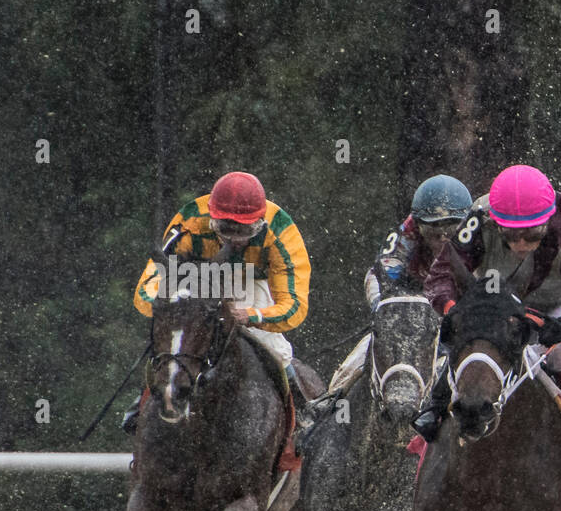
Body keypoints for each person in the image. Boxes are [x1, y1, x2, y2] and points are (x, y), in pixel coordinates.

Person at [413, 165, 561, 472]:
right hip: (491, 299)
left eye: (532, 234)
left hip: (552, 302)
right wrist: (454, 310)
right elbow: (440, 275)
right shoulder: (479, 217)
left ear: (547, 222)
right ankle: (435, 406)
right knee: (465, 340)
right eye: (511, 235)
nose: (521, 245)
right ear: (496, 222)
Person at [124, 171, 310, 432]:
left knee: (273, 346)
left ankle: (300, 410)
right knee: (175, 338)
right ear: (211, 218)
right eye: (225, 230)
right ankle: (149, 398)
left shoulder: (281, 233)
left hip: (251, 281)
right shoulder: (189, 221)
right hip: (198, 278)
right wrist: (172, 305)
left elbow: (294, 306)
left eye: (243, 231)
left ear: (260, 223)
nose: (233, 240)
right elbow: (148, 287)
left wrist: (250, 315)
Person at [317, 174, 472, 412]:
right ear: (418, 225)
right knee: (356, 360)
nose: (442, 238)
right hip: (407, 311)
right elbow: (378, 275)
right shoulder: (405, 234)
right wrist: (384, 310)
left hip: (457, 313)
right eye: (433, 231)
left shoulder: (480, 237)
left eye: (451, 230)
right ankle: (329, 405)